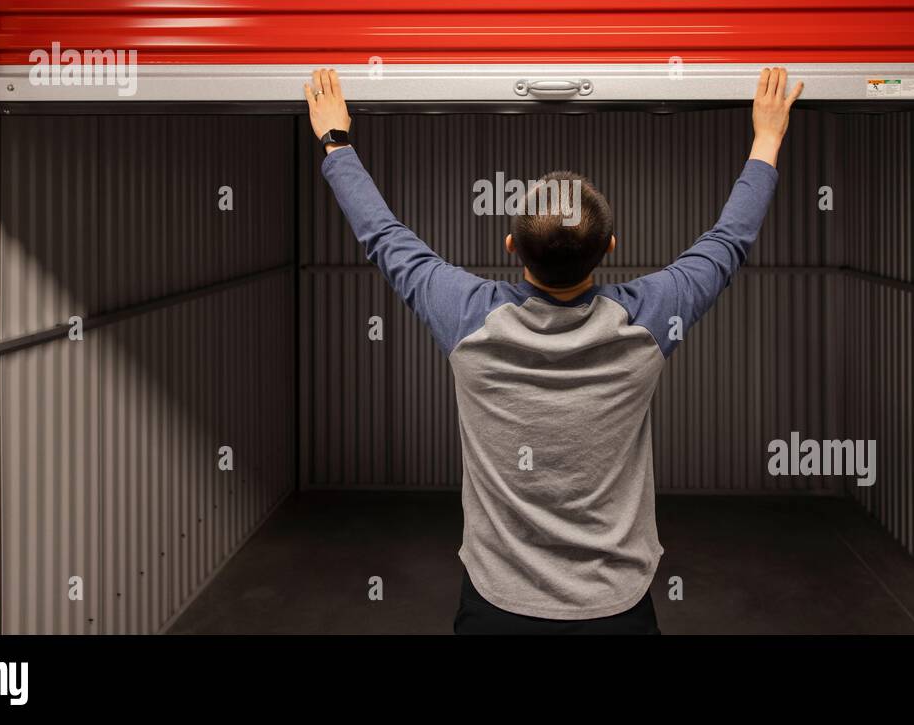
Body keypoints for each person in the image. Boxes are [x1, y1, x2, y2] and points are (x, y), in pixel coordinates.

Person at [306, 66, 802, 634]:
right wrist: (767, 137)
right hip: (615, 610)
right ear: (610, 248)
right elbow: (728, 242)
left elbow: (385, 238)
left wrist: (335, 141)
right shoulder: (645, 321)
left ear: (511, 245)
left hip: (496, 608)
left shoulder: (468, 319)